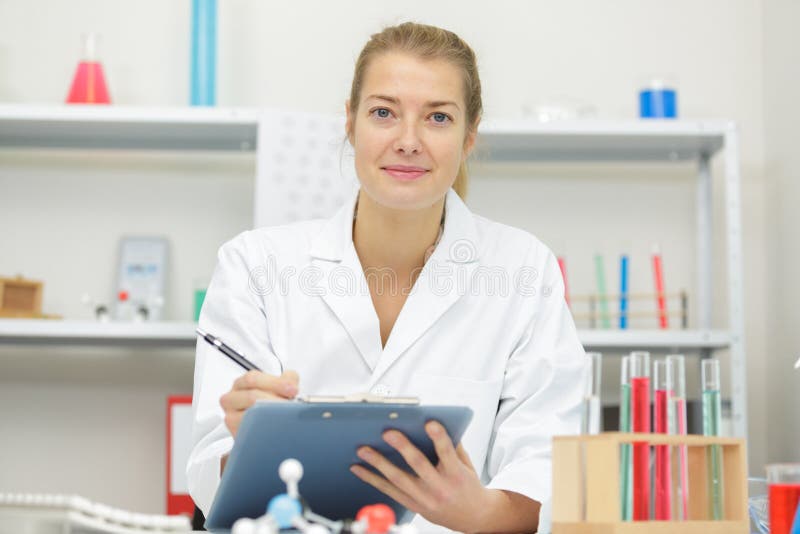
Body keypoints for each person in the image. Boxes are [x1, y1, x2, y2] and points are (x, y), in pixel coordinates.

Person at [187, 22, 584, 533]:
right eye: (383, 113)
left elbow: (546, 465)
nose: (408, 141)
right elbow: (208, 471)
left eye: (438, 117)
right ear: (350, 123)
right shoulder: (254, 265)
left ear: (469, 137)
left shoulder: (524, 270)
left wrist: (482, 512)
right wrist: (246, 444)